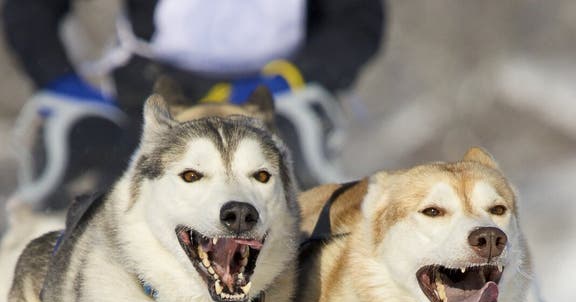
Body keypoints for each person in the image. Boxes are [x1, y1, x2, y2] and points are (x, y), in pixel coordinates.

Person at [2, 0, 386, 207]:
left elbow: (357, 21)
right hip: (148, 90)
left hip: (278, 100)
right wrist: (56, 76)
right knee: (89, 198)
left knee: (306, 210)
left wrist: (297, 74)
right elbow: (30, 10)